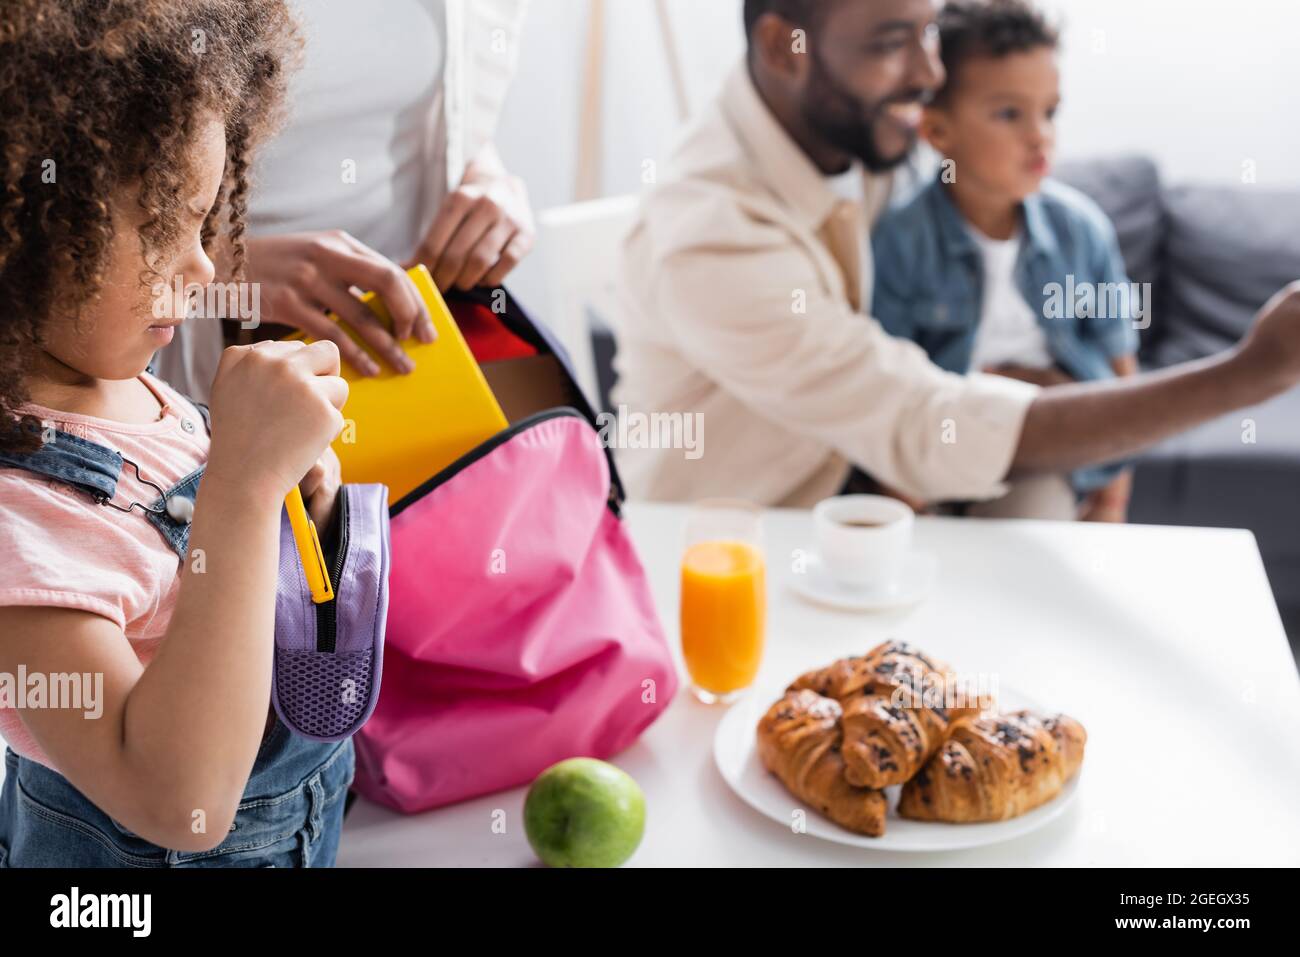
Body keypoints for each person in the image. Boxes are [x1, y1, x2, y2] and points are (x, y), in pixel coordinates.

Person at [611, 0, 1300, 512]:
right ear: (785, 49)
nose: (929, 72)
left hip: (857, 509)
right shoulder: (710, 229)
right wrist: (1252, 372)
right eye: (891, 42)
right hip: (735, 548)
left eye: (931, 31)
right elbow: (918, 419)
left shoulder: (857, 130)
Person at [0, 0, 352, 866]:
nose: (203, 265)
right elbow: (182, 803)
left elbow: (199, 592)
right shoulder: (20, 523)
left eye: (204, 222)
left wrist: (288, 496)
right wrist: (237, 484)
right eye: (163, 227)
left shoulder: (137, 393)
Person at [152, 0, 534, 400]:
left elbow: (451, 111)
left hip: (417, 342)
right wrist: (216, 268)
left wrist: (486, 176)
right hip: (217, 348)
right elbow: (90, 167)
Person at [873, 0, 1137, 521]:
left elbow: (1121, 371)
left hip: (1038, 450)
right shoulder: (902, 237)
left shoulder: (1081, 231)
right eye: (1009, 113)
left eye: (1049, 111)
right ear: (936, 131)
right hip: (933, 447)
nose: (1040, 134)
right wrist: (902, 508)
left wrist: (1111, 497)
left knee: (1023, 538)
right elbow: (883, 382)